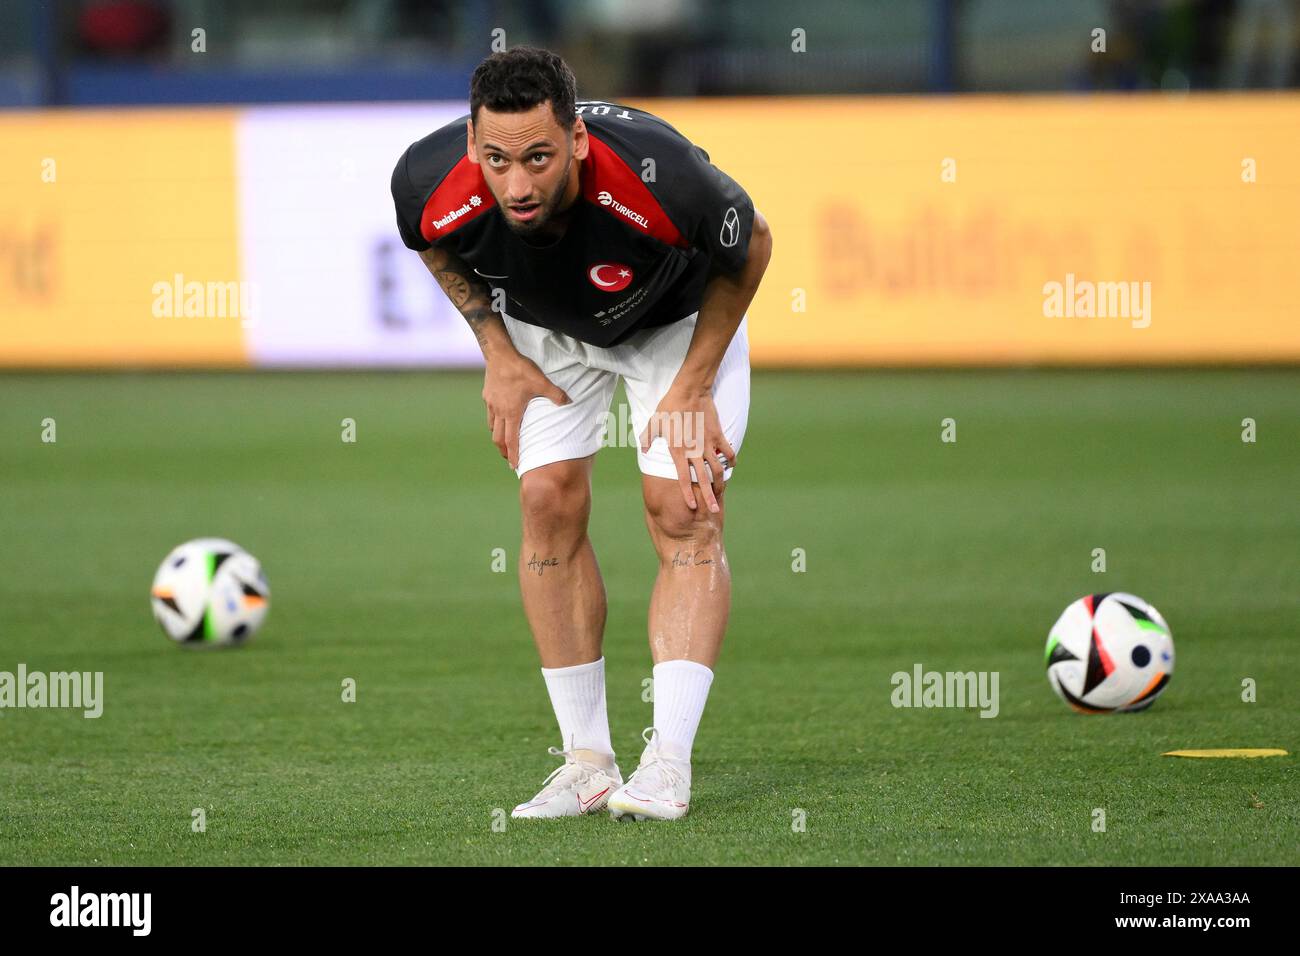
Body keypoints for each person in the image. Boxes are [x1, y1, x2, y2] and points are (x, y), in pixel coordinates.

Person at [390, 46, 772, 821]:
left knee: (683, 510)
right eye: (497, 160)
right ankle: (588, 763)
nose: (518, 184)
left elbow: (752, 242)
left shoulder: (660, 175)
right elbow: (428, 242)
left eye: (538, 157)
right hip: (545, 333)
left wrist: (694, 381)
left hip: (678, 326)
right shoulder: (426, 181)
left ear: (577, 142)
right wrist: (495, 351)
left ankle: (667, 763)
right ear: (472, 145)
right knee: (546, 502)